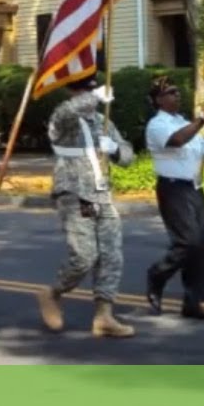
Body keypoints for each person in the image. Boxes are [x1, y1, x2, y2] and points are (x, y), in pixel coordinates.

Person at [35, 74, 137, 338]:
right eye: (83, 92)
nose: (88, 97)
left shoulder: (103, 122)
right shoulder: (63, 120)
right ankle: (53, 292)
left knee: (111, 256)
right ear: (72, 92)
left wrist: (115, 148)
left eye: (91, 91)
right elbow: (69, 110)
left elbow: (128, 156)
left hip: (102, 195)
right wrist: (95, 96)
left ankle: (104, 316)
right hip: (75, 193)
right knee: (83, 256)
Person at [144, 76, 204, 320]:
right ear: (158, 100)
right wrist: (202, 120)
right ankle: (158, 274)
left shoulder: (184, 122)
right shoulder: (157, 125)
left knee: (200, 246)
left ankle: (192, 302)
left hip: (194, 188)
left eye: (177, 92)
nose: (177, 95)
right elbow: (176, 140)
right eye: (171, 93)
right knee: (187, 242)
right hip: (174, 189)